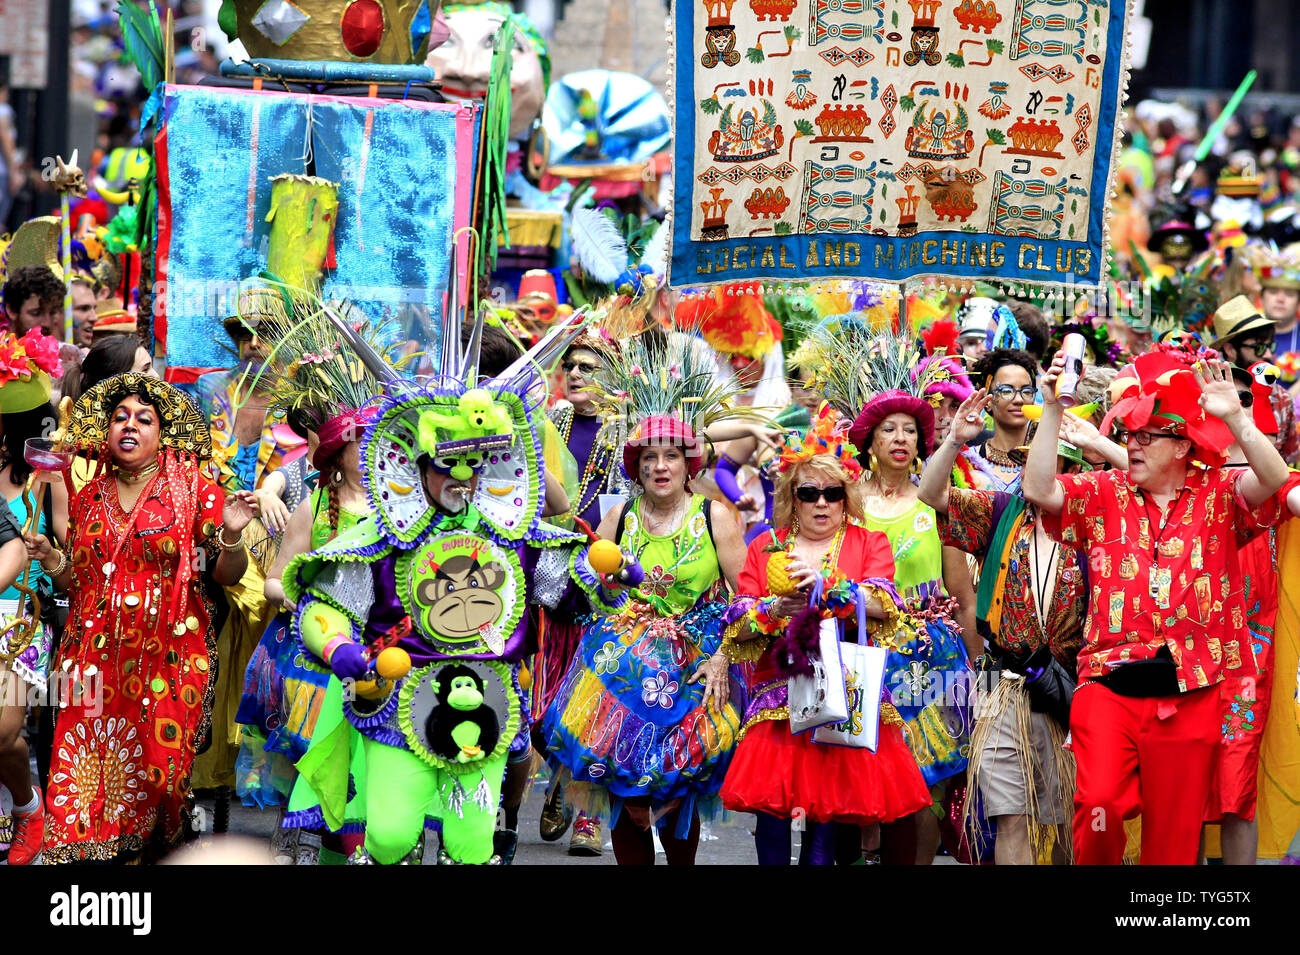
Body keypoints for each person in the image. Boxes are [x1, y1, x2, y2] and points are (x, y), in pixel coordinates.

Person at [285, 325, 629, 866]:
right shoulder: (383, 535)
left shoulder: (511, 533)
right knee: (391, 837)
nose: (463, 477)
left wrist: (605, 577)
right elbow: (326, 605)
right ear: (415, 464)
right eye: (449, 463)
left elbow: (568, 586)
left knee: (472, 847)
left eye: (476, 462)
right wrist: (340, 651)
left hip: (488, 703)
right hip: (398, 704)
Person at [1024, 343, 1288, 864]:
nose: (1133, 446)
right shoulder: (1102, 492)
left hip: (1192, 694)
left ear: (1183, 446)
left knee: (1172, 843)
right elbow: (1038, 487)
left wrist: (1235, 417)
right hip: (1108, 687)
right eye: (1128, 436)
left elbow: (1276, 479)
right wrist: (1052, 404)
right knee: (1097, 805)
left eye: (1147, 437)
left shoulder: (1221, 495)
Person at [26, 373, 258, 862]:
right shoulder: (89, 496)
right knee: (79, 783)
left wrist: (234, 536)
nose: (128, 426)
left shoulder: (197, 491)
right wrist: (50, 557)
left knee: (156, 782)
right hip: (89, 663)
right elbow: (79, 583)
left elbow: (224, 572)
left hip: (166, 663)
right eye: (119, 418)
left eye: (143, 419)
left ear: (163, 433)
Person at [543, 331, 750, 866]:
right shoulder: (620, 516)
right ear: (635, 466)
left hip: (693, 668)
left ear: (690, 465)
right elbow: (591, 589)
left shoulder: (716, 517)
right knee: (624, 794)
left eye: (672, 457)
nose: (661, 467)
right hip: (621, 673)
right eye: (650, 458)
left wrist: (725, 655)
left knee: (676, 792)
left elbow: (748, 596)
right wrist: (603, 577)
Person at [719, 407, 931, 864]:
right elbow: (735, 620)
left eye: (832, 492)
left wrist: (824, 587)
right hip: (778, 692)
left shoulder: (867, 542)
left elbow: (884, 604)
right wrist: (774, 609)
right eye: (809, 492)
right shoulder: (766, 544)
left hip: (846, 689)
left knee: (830, 819)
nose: (821, 503)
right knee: (771, 814)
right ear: (792, 497)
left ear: (845, 496)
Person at [920, 388, 1096, 865]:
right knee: (1011, 818)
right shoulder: (1000, 512)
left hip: (1071, 693)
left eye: (1063, 464)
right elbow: (931, 493)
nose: (1047, 473)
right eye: (1038, 462)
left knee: (1062, 822)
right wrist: (954, 440)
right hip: (1004, 688)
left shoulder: (1097, 526)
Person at [848, 355, 978, 864]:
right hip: (860, 653)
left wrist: (974, 671)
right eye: (888, 430)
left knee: (925, 784)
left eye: (908, 430)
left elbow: (963, 596)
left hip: (931, 658)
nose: (900, 439)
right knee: (863, 783)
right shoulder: (844, 501)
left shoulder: (940, 502)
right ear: (870, 442)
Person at [1209, 294, 1298, 466]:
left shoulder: (1281, 397)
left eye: (1269, 345)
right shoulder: (1209, 394)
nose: (1268, 354)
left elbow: (1289, 458)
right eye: (1258, 347)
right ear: (1230, 349)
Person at [965, 348, 1040, 493]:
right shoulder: (968, 460)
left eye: (1026, 391)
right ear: (987, 400)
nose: (1019, 400)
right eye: (1006, 391)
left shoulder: (1049, 458)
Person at [2, 265, 64, 338]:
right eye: (36, 313)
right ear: (11, 311)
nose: (47, 323)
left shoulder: (64, 349)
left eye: (52, 313)